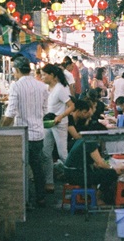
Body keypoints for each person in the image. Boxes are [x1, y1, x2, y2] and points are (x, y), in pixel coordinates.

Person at [0, 55, 49, 207]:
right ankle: (41, 198)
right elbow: (45, 110)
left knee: (21, 168)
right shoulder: (42, 86)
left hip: (22, 134)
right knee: (37, 167)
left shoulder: (16, 86)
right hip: (38, 133)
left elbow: (11, 111)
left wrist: (2, 128)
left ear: (17, 70)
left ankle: (25, 200)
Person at [64, 137, 124, 205]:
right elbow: (100, 163)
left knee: (104, 171)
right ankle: (97, 198)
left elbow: (95, 163)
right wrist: (114, 168)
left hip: (71, 173)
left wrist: (109, 166)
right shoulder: (91, 142)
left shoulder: (83, 139)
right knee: (111, 174)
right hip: (76, 175)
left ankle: (95, 196)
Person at [41, 64, 75, 193]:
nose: (42, 77)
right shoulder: (45, 88)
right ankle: (49, 182)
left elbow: (71, 106)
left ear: (52, 75)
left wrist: (61, 116)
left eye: (45, 74)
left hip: (59, 124)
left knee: (62, 154)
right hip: (48, 123)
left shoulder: (60, 89)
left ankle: (74, 178)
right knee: (46, 153)